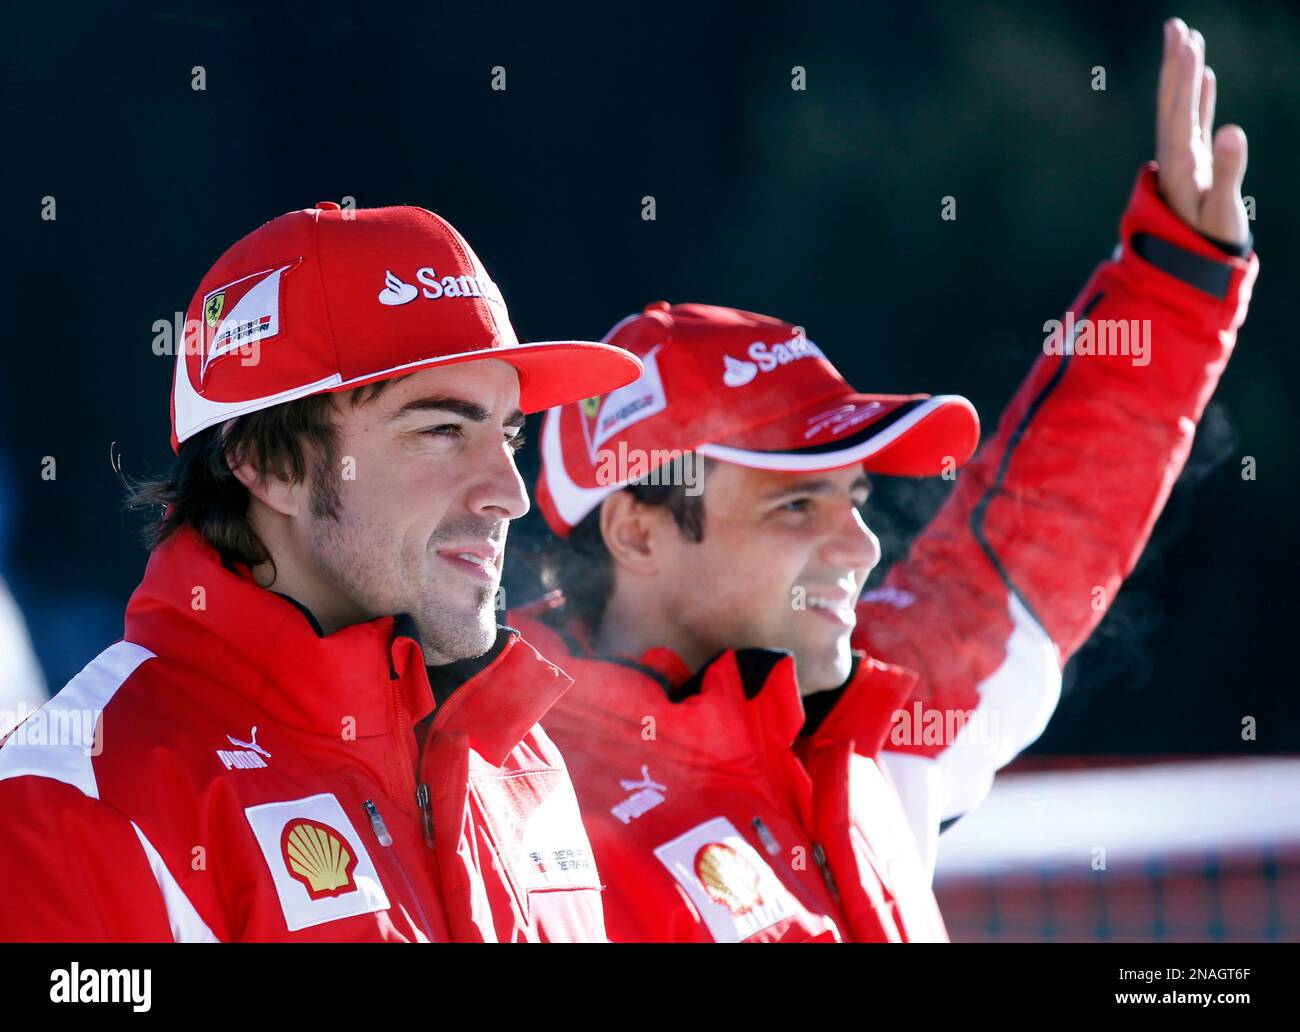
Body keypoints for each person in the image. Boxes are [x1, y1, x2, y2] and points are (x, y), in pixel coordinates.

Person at [512, 19, 1257, 942]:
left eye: (855, 497)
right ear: (636, 529)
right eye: (796, 502)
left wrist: (1176, 282)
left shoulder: (875, 709)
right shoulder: (492, 795)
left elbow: (1034, 539)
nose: (858, 543)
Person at [0, 200, 642, 941]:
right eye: (441, 430)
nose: (509, 491)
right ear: (269, 463)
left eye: (508, 434)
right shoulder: (77, 795)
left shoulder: (518, 761)